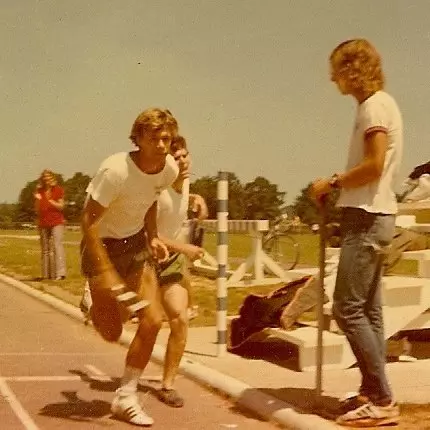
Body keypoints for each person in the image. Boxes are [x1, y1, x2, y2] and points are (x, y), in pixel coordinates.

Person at [309, 39, 402, 427]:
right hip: (377, 215)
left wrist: (331, 183)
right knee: (369, 311)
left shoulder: (374, 106)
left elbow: (375, 164)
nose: (333, 79)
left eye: (337, 70)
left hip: (367, 216)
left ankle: (381, 398)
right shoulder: (381, 103)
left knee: (347, 308)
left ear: (352, 69)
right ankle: (372, 390)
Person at [80, 107, 179, 426]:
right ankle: (93, 299)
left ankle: (126, 396)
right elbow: (88, 222)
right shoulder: (115, 171)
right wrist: (106, 272)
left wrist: (152, 236)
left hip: (134, 243)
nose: (163, 145)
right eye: (154, 138)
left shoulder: (169, 170)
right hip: (100, 244)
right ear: (137, 139)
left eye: (167, 138)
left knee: (152, 319)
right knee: (112, 332)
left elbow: (150, 199)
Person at [153, 135, 207, 407]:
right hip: (146, 260)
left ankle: (167, 385)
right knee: (144, 324)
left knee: (180, 320)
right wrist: (186, 248)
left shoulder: (185, 183)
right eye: (177, 158)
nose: (184, 162)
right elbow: (151, 234)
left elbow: (185, 201)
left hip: (172, 262)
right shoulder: (156, 192)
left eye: (185, 156)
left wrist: (198, 199)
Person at [34, 169, 67, 280]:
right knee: (45, 249)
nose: (47, 179)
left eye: (49, 177)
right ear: (42, 179)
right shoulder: (39, 191)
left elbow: (61, 206)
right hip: (43, 221)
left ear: (52, 178)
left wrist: (50, 200)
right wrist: (38, 200)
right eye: (45, 177)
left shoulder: (58, 190)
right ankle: (46, 275)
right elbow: (36, 209)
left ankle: (60, 273)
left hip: (57, 221)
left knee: (57, 246)